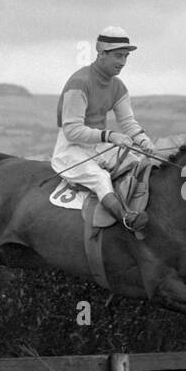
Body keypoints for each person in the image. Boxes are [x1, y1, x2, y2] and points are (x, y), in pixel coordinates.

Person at [50, 26, 156, 232]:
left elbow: (128, 122)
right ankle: (125, 218)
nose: (122, 62)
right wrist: (111, 136)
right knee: (101, 178)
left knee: (138, 162)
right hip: (70, 150)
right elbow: (71, 131)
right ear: (101, 53)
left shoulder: (118, 86)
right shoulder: (79, 83)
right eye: (118, 56)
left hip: (98, 148)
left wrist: (145, 142)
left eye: (125, 56)